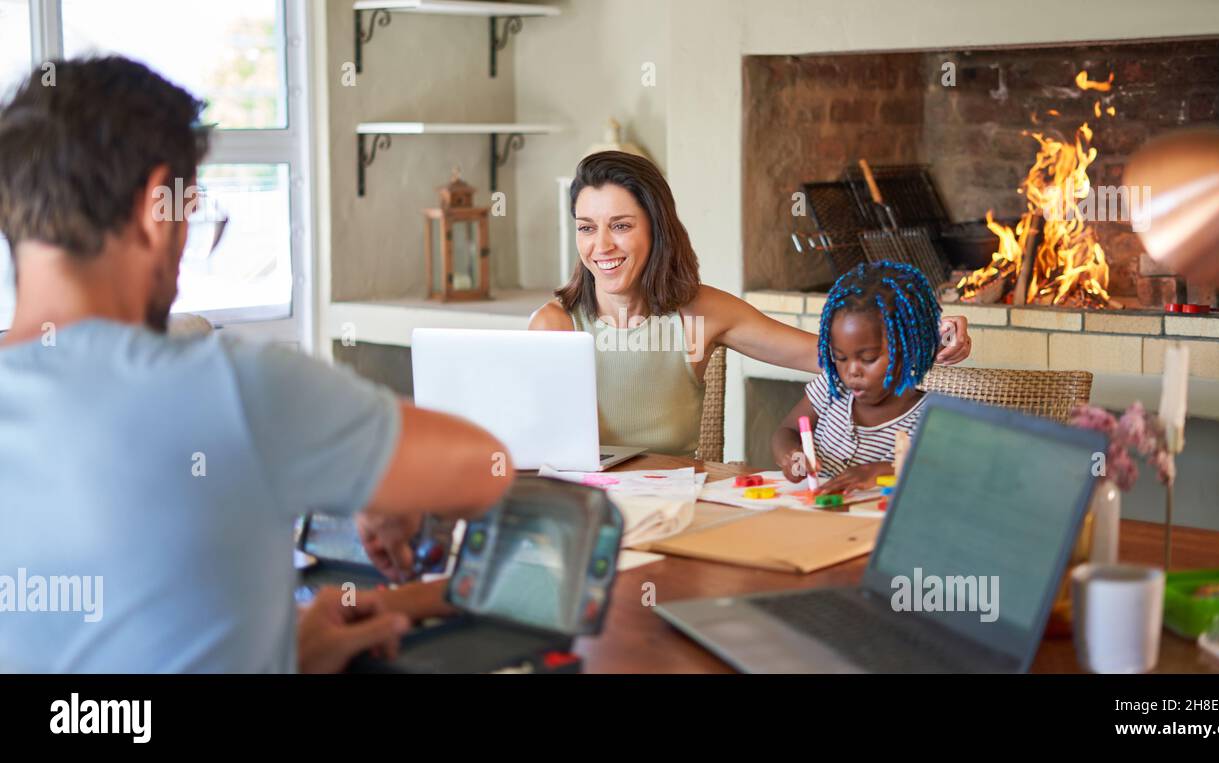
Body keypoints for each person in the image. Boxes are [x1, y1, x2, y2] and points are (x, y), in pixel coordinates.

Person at [0, 56, 513, 673]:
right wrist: (382, 491)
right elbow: (485, 469)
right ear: (153, 207)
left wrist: (276, 651)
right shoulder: (227, 386)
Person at [529, 151, 971, 457]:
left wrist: (926, 335)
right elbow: (532, 449)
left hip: (678, 515)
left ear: (656, 229)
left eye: (620, 225)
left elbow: (827, 356)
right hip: (589, 517)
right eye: (586, 228)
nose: (601, 246)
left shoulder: (700, 313)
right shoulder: (555, 326)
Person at [771, 261, 940, 494]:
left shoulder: (930, 416)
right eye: (840, 358)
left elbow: (939, 474)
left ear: (906, 351)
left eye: (868, 358)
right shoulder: (832, 389)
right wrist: (790, 455)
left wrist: (883, 470)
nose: (851, 371)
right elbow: (786, 430)